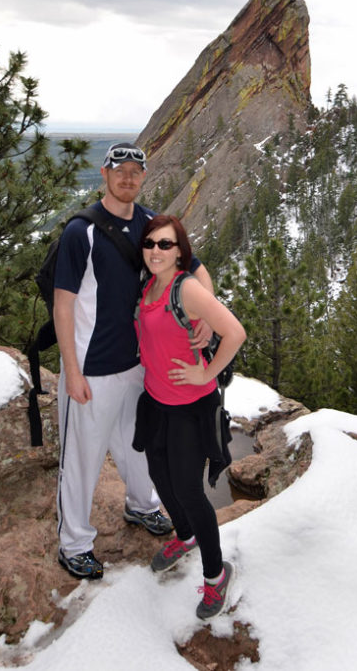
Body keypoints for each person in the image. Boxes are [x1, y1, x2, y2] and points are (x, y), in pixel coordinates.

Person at [53, 141, 214, 580]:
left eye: (135, 172)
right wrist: (71, 371)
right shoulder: (81, 232)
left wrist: (206, 314)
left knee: (138, 445)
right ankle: (74, 544)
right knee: (82, 459)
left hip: (138, 365)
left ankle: (142, 506)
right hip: (91, 368)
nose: (127, 178)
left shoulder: (150, 225)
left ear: (143, 177)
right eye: (119, 170)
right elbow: (63, 305)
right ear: (105, 174)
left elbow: (196, 268)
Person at [133, 214, 245, 619]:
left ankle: (216, 576)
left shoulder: (186, 289)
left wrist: (206, 372)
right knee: (160, 477)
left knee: (188, 491)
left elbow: (235, 332)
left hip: (190, 407)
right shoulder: (149, 285)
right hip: (156, 402)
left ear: (180, 251)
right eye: (150, 244)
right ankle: (186, 536)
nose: (156, 251)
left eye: (165, 244)